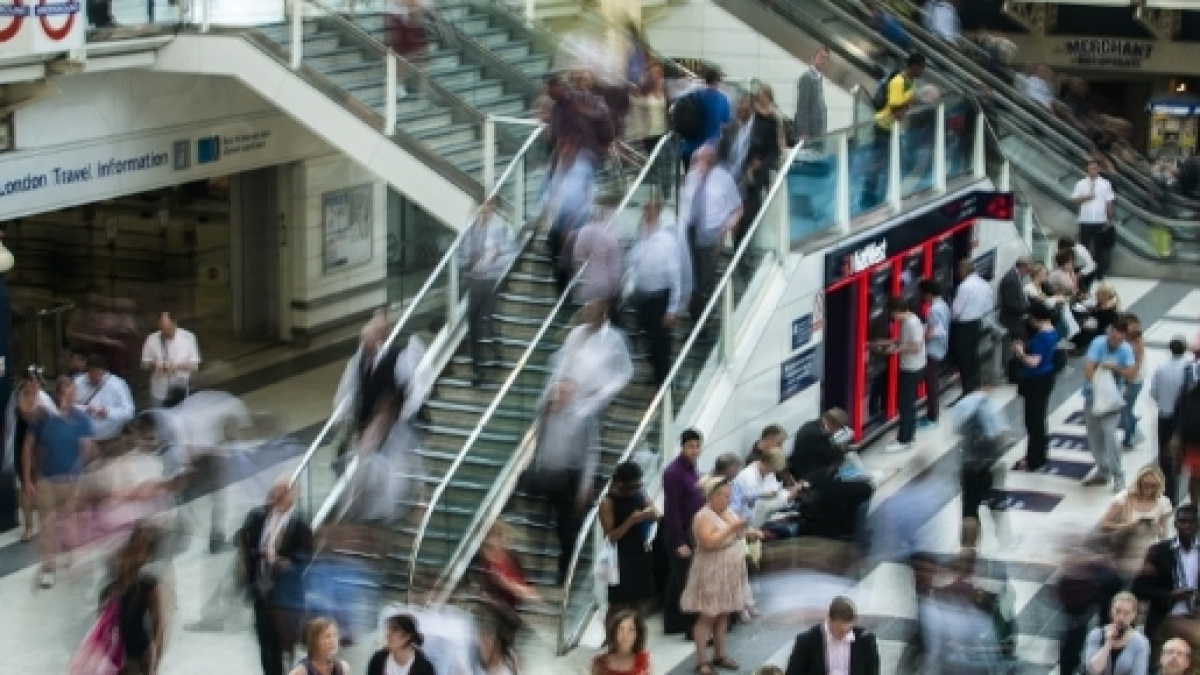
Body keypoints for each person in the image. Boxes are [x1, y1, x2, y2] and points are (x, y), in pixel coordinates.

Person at [528, 299, 633, 583]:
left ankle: (566, 573)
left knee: (567, 527)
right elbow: (538, 437)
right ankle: (536, 569)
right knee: (540, 522)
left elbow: (591, 451)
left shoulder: (582, 417)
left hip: (571, 474)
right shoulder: (547, 412)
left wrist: (586, 484)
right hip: (549, 472)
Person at [23, 376, 96, 589]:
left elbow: (87, 450)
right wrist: (27, 479)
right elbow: (28, 447)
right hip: (47, 481)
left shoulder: (81, 420)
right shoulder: (42, 417)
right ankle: (48, 569)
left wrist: (84, 473)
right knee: (46, 526)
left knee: (71, 526)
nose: (70, 398)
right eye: (66, 394)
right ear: (57, 394)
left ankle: (70, 558)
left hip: (72, 482)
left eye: (73, 394)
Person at [681, 476, 755, 675]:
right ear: (712, 496)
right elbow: (708, 543)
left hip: (729, 569)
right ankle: (701, 660)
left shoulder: (728, 511)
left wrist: (749, 531)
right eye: (723, 496)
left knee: (724, 614)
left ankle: (720, 654)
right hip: (711, 569)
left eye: (729, 496)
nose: (727, 500)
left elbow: (738, 532)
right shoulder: (702, 516)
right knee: (708, 616)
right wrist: (732, 528)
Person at [240, 479, 314, 675]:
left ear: (293, 495)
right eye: (275, 492)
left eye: (283, 492)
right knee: (265, 646)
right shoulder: (258, 517)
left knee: (284, 647)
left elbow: (306, 557)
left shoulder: (299, 524)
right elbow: (245, 543)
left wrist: (286, 564)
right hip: (262, 592)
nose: (277, 496)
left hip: (285, 598)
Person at [627, 198, 686, 388]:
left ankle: (663, 379)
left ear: (658, 213)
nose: (646, 215)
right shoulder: (641, 239)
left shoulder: (666, 241)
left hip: (660, 297)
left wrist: (672, 309)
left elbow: (675, 275)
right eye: (645, 211)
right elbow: (633, 264)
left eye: (650, 211)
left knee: (661, 341)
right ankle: (655, 372)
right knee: (648, 337)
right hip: (642, 296)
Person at [681, 144, 743, 324]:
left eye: (706, 159)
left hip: (712, 234)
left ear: (713, 160)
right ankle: (696, 316)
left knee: (705, 279)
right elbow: (685, 204)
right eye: (699, 159)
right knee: (692, 277)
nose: (701, 163)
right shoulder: (691, 177)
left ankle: (704, 320)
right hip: (690, 231)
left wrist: (724, 232)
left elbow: (738, 209)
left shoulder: (724, 179)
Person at [460, 197, 514, 385]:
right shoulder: (470, 227)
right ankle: (478, 369)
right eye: (481, 205)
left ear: (492, 208)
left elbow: (509, 252)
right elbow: (460, 252)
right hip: (474, 281)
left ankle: (496, 353)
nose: (483, 209)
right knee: (473, 322)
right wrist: (466, 264)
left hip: (491, 280)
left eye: (488, 205)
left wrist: (490, 264)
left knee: (489, 320)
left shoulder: (499, 228)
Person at [600, 461, 660, 625]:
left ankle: (634, 637)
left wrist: (650, 513)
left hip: (639, 552)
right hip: (618, 556)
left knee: (639, 600)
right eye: (632, 486)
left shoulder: (639, 494)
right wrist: (631, 521)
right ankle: (612, 640)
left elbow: (657, 514)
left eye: (638, 485)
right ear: (620, 483)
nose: (636, 489)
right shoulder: (608, 502)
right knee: (617, 604)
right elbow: (611, 536)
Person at [862, 52, 926, 207]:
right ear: (913, 66)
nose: (923, 71)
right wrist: (909, 101)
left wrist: (920, 102)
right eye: (921, 68)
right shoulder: (898, 81)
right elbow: (895, 105)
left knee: (888, 159)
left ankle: (883, 190)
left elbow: (907, 99)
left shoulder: (909, 81)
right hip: (884, 125)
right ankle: (868, 191)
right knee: (878, 159)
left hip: (893, 127)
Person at [1083, 318, 1138, 492]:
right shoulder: (1098, 343)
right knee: (1094, 436)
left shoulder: (1125, 349)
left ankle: (1118, 475)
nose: (1116, 340)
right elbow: (1088, 367)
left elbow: (1130, 373)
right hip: (1093, 396)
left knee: (1110, 435)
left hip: (1112, 400)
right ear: (1110, 332)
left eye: (1120, 338)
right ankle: (1102, 470)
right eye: (1114, 335)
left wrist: (1115, 367)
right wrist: (1097, 387)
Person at [1132, 504, 1199, 647]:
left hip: (1195, 614)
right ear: (1175, 524)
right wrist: (1170, 595)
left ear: (1197, 525)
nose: (1187, 526)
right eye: (1182, 522)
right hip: (1167, 615)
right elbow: (1138, 590)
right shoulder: (1158, 552)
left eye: (1191, 522)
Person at [663, 428, 706, 636]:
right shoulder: (674, 473)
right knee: (686, 580)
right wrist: (679, 541)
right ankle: (691, 627)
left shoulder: (692, 469)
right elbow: (672, 509)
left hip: (692, 529)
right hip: (679, 532)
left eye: (697, 446)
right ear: (682, 447)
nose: (694, 450)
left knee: (676, 579)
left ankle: (672, 622)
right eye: (690, 446)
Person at [1101, 464, 1173, 578]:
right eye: (1145, 485)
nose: (1148, 489)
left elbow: (1164, 536)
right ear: (1139, 483)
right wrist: (1126, 526)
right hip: (1124, 549)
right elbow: (1104, 523)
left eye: (1153, 486)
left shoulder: (1163, 503)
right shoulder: (1124, 498)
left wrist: (1157, 529)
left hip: (1148, 552)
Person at [1012, 303, 1059, 471]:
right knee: (1038, 419)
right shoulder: (1052, 331)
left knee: (1033, 421)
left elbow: (1033, 362)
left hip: (1036, 380)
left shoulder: (1042, 338)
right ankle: (1038, 453)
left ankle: (1034, 458)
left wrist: (1020, 353)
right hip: (1046, 377)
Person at [9, 370, 55, 542]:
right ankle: (28, 526)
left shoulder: (44, 399)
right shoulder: (16, 397)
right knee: (25, 483)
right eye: (29, 382)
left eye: (36, 383)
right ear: (24, 382)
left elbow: (54, 420)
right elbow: (10, 422)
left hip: (41, 442)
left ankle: (45, 524)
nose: (33, 386)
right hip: (22, 442)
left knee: (42, 484)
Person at [784, 596, 881, 675]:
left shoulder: (866, 640)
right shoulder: (807, 641)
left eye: (848, 630)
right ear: (829, 620)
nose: (843, 635)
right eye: (838, 630)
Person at [1150, 337, 1193, 504]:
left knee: (1165, 455)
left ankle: (1169, 493)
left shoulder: (1161, 368)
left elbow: (1153, 392)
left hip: (1165, 416)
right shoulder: (1190, 368)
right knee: (1183, 452)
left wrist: (1163, 402)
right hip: (1184, 419)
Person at [883, 296, 925, 453]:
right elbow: (901, 341)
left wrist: (897, 350)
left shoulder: (912, 324)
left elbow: (916, 347)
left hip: (912, 369)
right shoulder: (908, 321)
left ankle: (904, 440)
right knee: (908, 405)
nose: (892, 318)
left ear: (898, 311)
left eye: (892, 314)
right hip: (913, 367)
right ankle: (908, 437)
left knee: (906, 406)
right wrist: (882, 343)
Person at [74, 353, 136, 453]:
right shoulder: (78, 382)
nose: (96, 378)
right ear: (88, 371)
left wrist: (108, 412)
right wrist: (85, 409)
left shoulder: (118, 384)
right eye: (92, 374)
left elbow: (129, 412)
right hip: (84, 440)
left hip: (109, 439)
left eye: (99, 374)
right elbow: (69, 406)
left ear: (104, 371)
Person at [950, 259, 994, 397]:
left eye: (959, 271)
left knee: (964, 358)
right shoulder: (984, 284)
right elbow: (989, 305)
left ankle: (967, 389)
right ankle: (975, 384)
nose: (958, 274)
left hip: (964, 326)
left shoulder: (965, 286)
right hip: (977, 323)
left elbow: (956, 310)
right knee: (973, 356)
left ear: (963, 271)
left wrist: (951, 318)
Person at [140, 311, 200, 407]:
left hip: (180, 390)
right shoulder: (151, 339)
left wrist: (176, 367)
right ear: (159, 325)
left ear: (175, 323)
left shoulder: (188, 337)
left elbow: (195, 365)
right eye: (163, 329)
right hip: (159, 391)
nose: (166, 333)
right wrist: (156, 366)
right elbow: (144, 364)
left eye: (169, 329)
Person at [1082, 592, 1150, 675]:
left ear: (1133, 615)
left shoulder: (1140, 642)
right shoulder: (1096, 634)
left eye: (1126, 613)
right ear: (1111, 612)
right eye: (1118, 611)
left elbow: (1139, 672)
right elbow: (1092, 670)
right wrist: (1108, 643)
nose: (1121, 617)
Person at [680, 68, 732, 170]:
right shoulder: (722, 100)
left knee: (691, 181)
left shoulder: (692, 96)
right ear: (717, 81)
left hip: (689, 149)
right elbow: (726, 122)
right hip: (708, 154)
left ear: (705, 80)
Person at [919, 279, 950, 429]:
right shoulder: (943, 305)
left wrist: (919, 339)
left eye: (924, 295)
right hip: (941, 348)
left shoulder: (934, 310)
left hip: (932, 351)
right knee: (933, 383)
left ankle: (932, 417)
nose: (923, 298)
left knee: (931, 385)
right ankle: (932, 414)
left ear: (929, 294)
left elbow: (932, 332)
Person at [367, 614, 437, 675]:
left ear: (408, 636)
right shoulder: (378, 659)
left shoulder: (424, 668)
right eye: (388, 629)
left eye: (395, 630)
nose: (388, 634)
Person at [592, 610, 652, 675]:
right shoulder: (599, 664)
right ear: (614, 633)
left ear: (638, 634)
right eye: (621, 629)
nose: (625, 635)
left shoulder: (645, 661)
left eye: (631, 630)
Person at [1121, 314, 1147, 450]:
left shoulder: (1137, 344)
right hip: (1127, 377)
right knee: (1125, 409)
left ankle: (1129, 437)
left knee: (1126, 409)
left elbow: (1137, 364)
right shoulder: (1127, 341)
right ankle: (1131, 431)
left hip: (1134, 380)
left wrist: (1130, 378)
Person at [794, 47, 829, 145]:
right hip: (810, 133)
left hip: (818, 130)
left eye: (826, 58)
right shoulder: (807, 77)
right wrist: (804, 131)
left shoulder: (818, 78)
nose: (823, 61)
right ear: (813, 58)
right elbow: (802, 107)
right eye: (821, 57)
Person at [996, 257, 1030, 345]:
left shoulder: (1015, 277)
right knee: (1015, 349)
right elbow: (1011, 303)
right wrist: (1027, 310)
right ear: (1023, 267)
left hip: (1015, 321)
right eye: (1028, 269)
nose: (1028, 273)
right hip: (1011, 322)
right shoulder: (1011, 279)